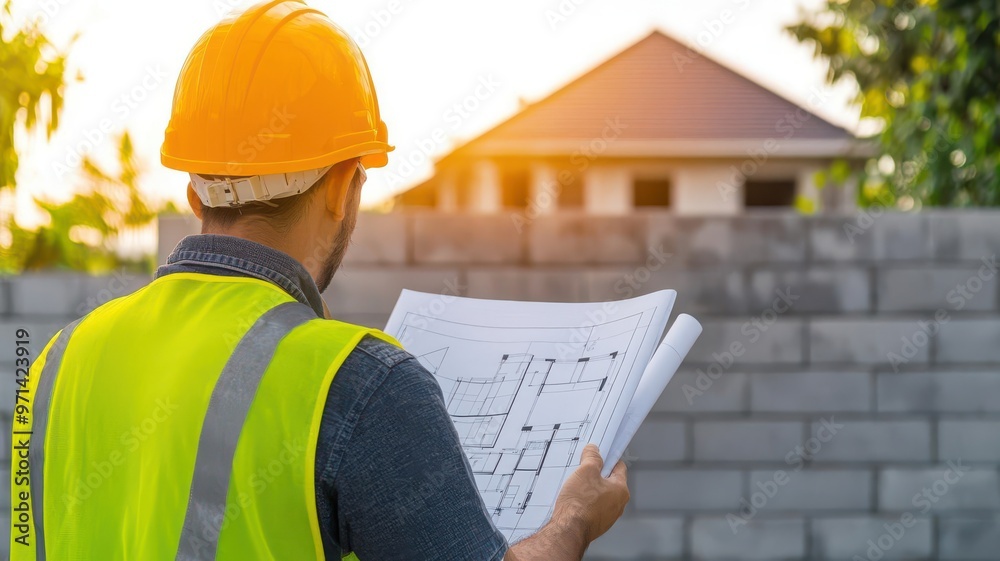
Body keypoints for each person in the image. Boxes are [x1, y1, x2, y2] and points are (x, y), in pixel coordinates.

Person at [12, 1, 629, 559]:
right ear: (341, 188)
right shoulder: (361, 383)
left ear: (192, 187)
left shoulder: (55, 366)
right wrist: (572, 520)